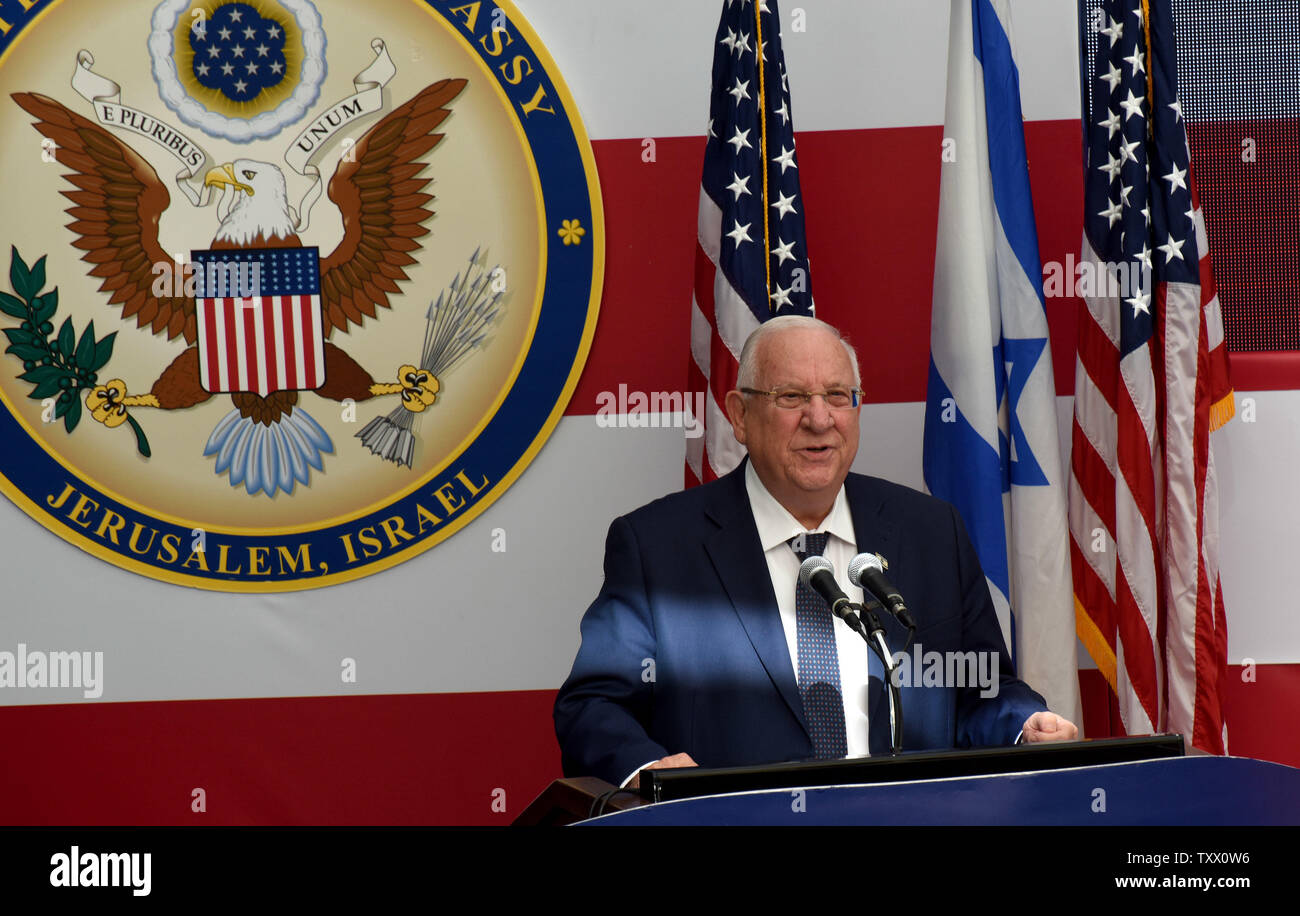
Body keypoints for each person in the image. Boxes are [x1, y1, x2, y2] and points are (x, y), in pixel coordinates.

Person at [554, 316, 1078, 788]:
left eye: (837, 395)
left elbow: (977, 687)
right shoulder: (658, 546)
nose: (820, 419)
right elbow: (591, 704)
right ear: (739, 415)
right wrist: (647, 769)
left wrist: (1022, 725)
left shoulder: (930, 532)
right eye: (791, 397)